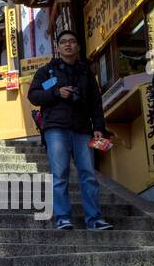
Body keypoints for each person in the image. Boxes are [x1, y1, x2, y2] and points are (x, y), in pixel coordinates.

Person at [27, 29, 113, 232]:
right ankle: (62, 218)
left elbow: (95, 103)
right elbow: (34, 95)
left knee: (88, 174)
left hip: (83, 128)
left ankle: (94, 219)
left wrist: (98, 128)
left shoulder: (86, 73)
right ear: (57, 48)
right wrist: (57, 92)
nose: (68, 44)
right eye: (63, 42)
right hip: (56, 127)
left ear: (78, 47)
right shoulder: (49, 72)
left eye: (72, 41)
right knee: (60, 174)